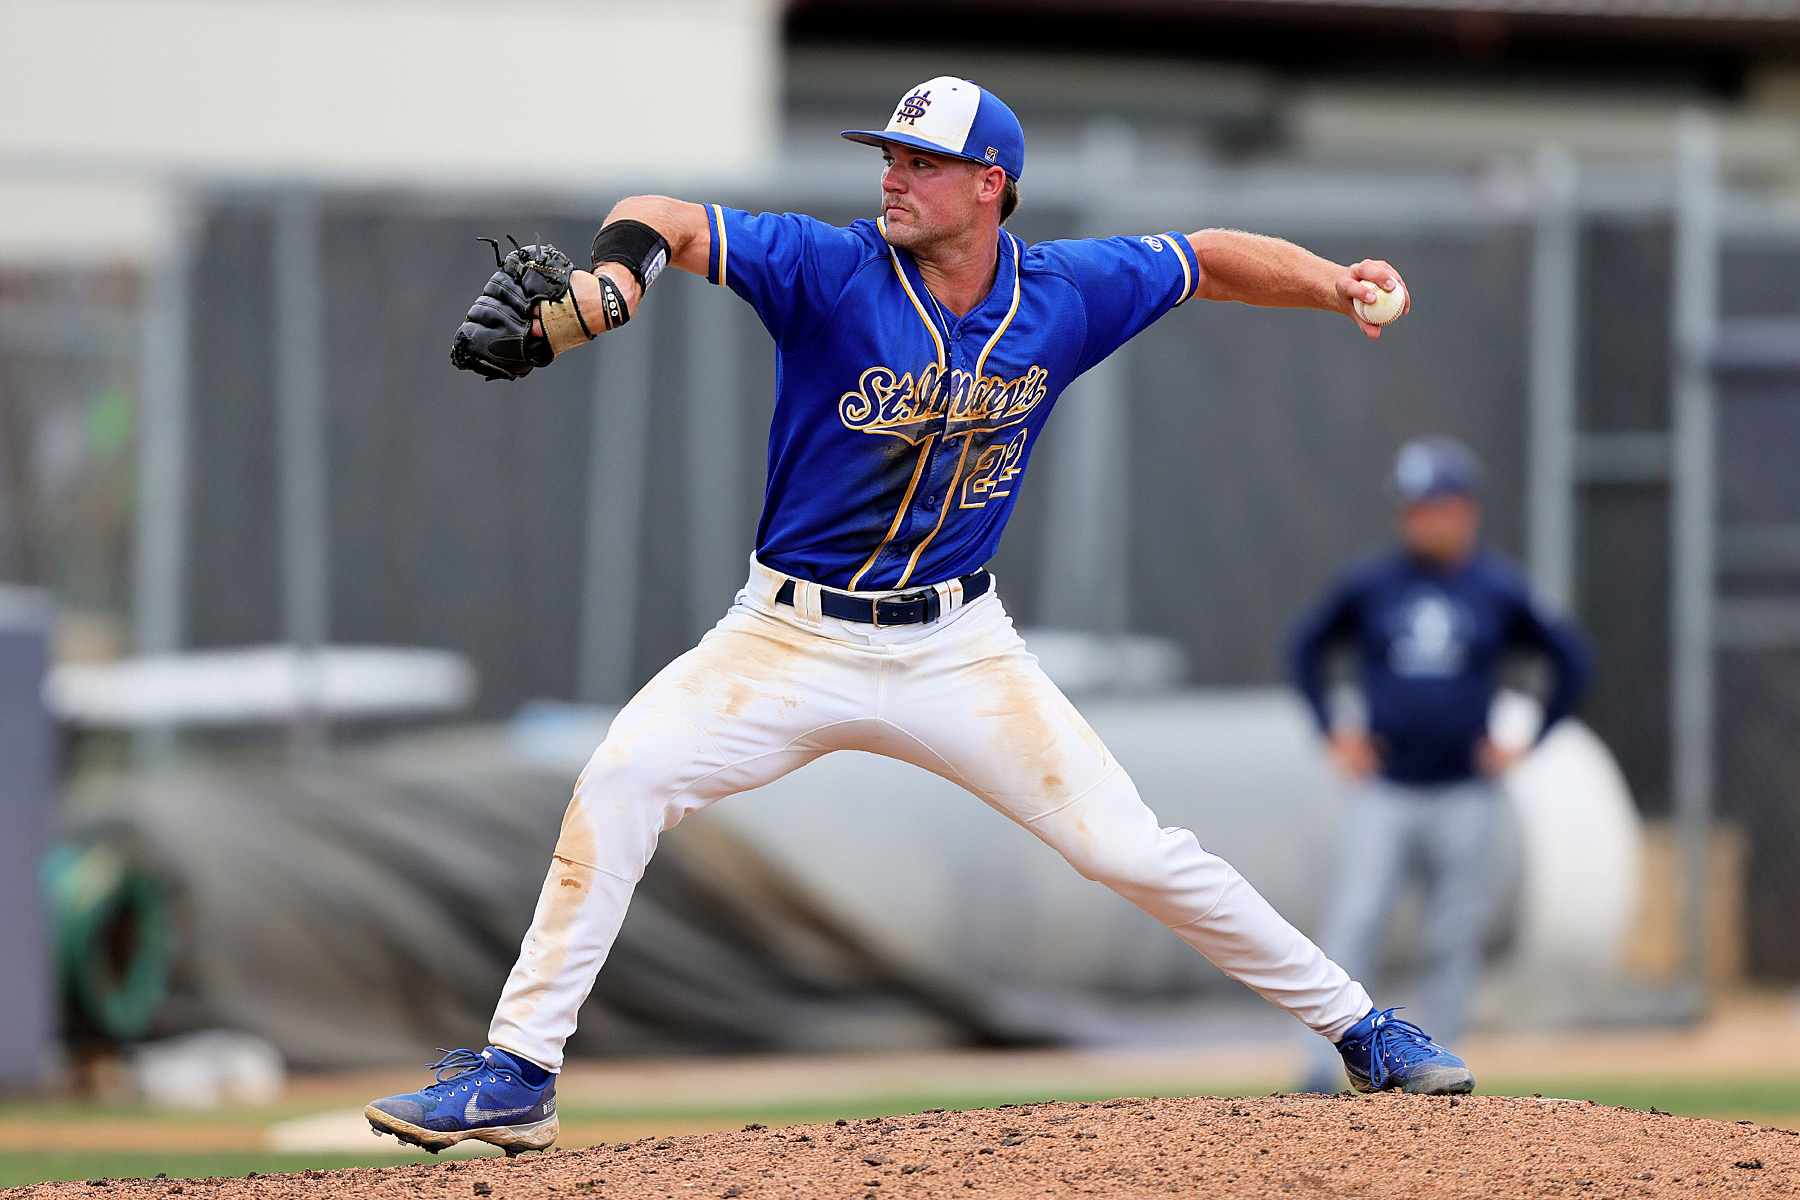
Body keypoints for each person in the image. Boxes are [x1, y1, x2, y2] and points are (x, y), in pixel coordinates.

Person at [365, 77, 1475, 1157]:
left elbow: (1208, 260)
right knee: (622, 780)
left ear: (990, 184)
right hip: (787, 638)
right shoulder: (829, 269)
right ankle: (519, 1075)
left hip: (958, 648)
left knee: (1132, 850)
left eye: (920, 162)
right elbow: (663, 218)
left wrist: (1333, 282)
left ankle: (1364, 1030)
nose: (892, 177)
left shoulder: (1064, 294)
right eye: (888, 156)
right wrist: (618, 278)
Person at [1287, 436, 1593, 1094]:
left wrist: (1530, 738)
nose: (1421, 518)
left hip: (1467, 790)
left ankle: (1436, 1072)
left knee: (1453, 938)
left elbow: (1571, 660)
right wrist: (1331, 731)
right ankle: (1316, 1076)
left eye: (1434, 505)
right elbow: (1305, 648)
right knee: (1354, 922)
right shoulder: (1371, 582)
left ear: (1465, 509)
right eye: (1412, 506)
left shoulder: (1498, 587)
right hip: (1386, 789)